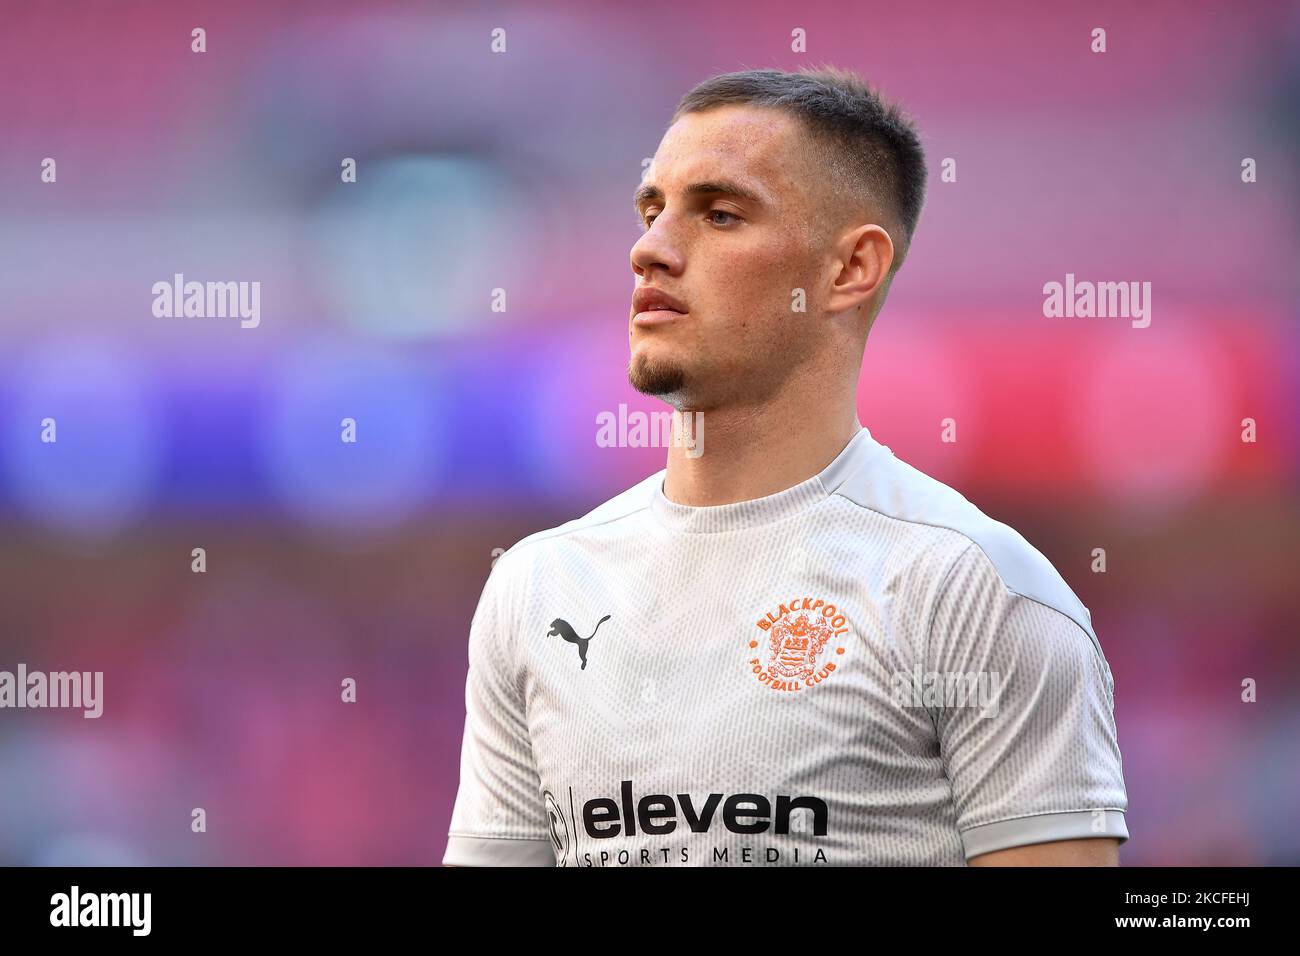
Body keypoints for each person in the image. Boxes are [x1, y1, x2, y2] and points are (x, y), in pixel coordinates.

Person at [444, 66, 1128, 866]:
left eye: (720, 214)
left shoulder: (972, 590)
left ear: (849, 270)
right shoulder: (538, 586)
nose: (650, 250)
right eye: (652, 210)